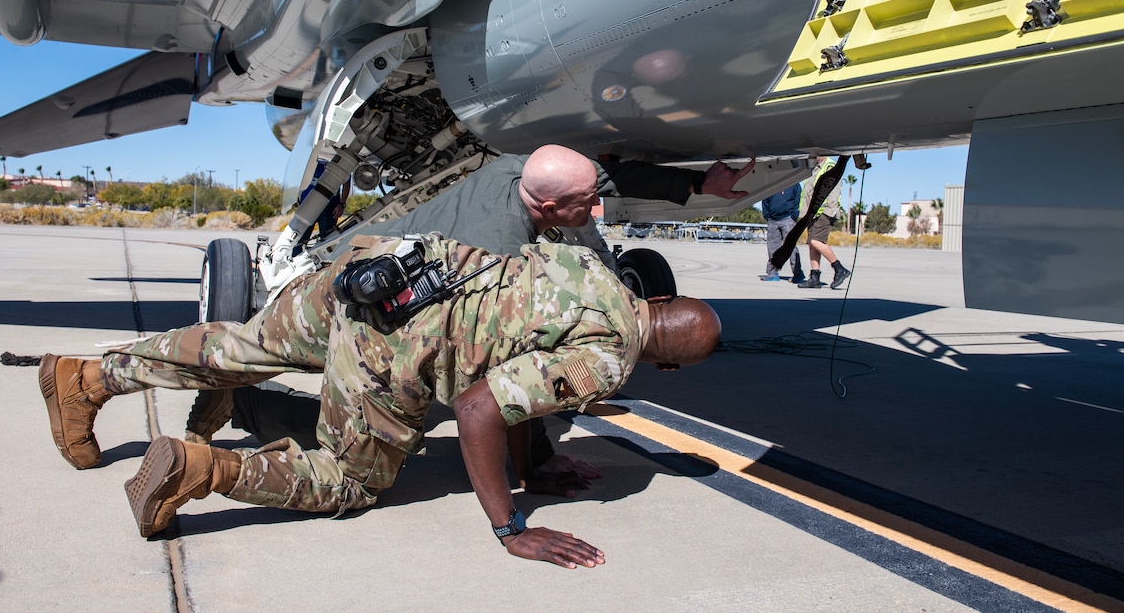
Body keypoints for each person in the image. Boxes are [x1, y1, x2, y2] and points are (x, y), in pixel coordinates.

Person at [39, 233, 721, 569]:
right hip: (390, 344)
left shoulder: (593, 269)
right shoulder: (606, 359)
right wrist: (511, 526)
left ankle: (89, 380)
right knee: (351, 481)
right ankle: (201, 468)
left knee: (240, 346)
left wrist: (531, 464)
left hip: (379, 273)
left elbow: (520, 378)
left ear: (658, 299)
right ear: (662, 360)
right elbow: (484, 407)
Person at [185, 145, 753, 480]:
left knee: (253, 347)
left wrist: (699, 182)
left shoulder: (517, 169)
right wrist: (524, 491)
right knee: (367, 453)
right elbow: (492, 389)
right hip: (372, 304)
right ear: (550, 208)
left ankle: (182, 378)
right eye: (584, 207)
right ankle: (246, 408)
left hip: (363, 271)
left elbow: (598, 175)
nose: (597, 209)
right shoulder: (499, 250)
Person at [797, 157, 851, 290]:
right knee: (812, 244)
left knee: (816, 241)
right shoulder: (813, 169)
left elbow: (833, 191)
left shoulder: (830, 167)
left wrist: (828, 211)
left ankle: (839, 268)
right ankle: (814, 277)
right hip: (812, 213)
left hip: (824, 211)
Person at [758, 183, 804, 283]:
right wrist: (767, 215)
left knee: (791, 247)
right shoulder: (771, 183)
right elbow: (765, 200)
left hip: (788, 219)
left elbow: (798, 199)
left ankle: (798, 274)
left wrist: (794, 215)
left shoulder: (794, 184)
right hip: (773, 219)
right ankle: (772, 273)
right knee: (772, 247)